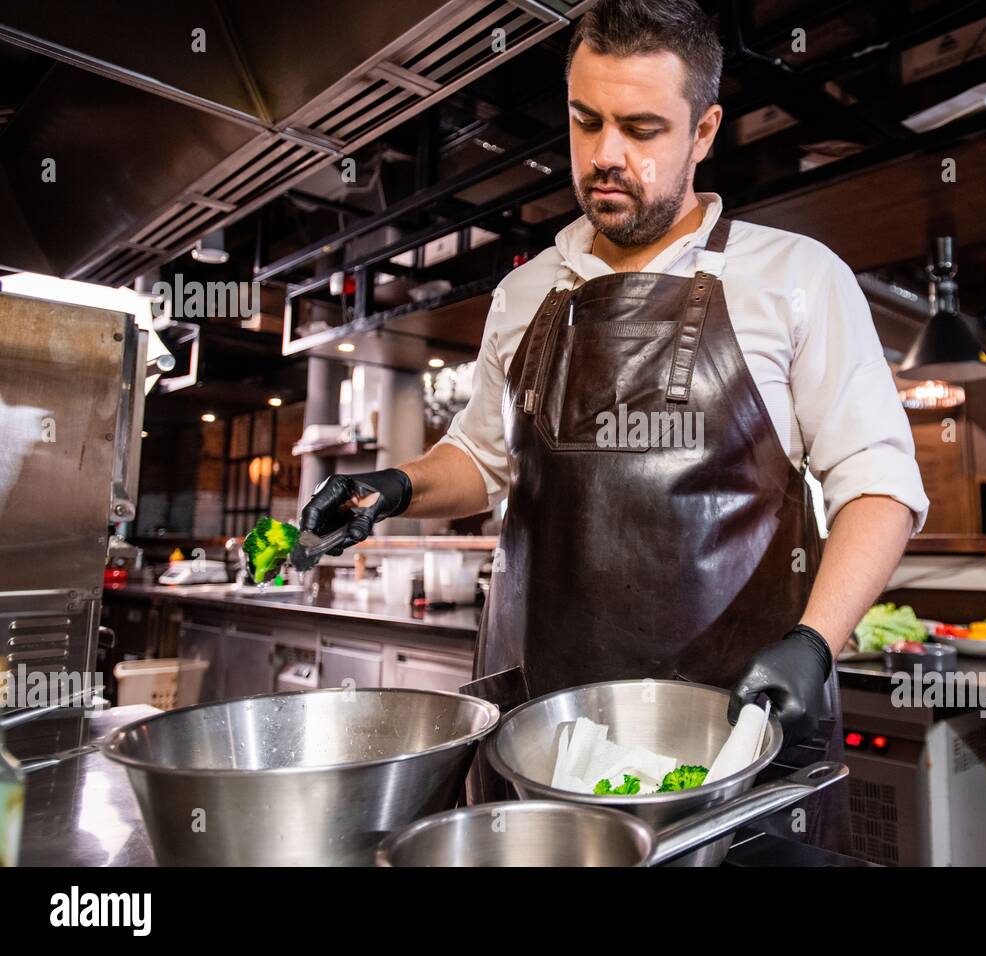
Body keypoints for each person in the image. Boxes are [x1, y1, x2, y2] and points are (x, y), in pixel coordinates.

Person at [302, 0, 928, 854]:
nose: (605, 155)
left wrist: (814, 642)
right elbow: (482, 461)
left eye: (641, 128)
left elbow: (881, 484)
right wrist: (399, 485)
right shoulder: (526, 294)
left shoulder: (794, 277)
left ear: (703, 131)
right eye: (585, 121)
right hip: (543, 736)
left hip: (731, 730)